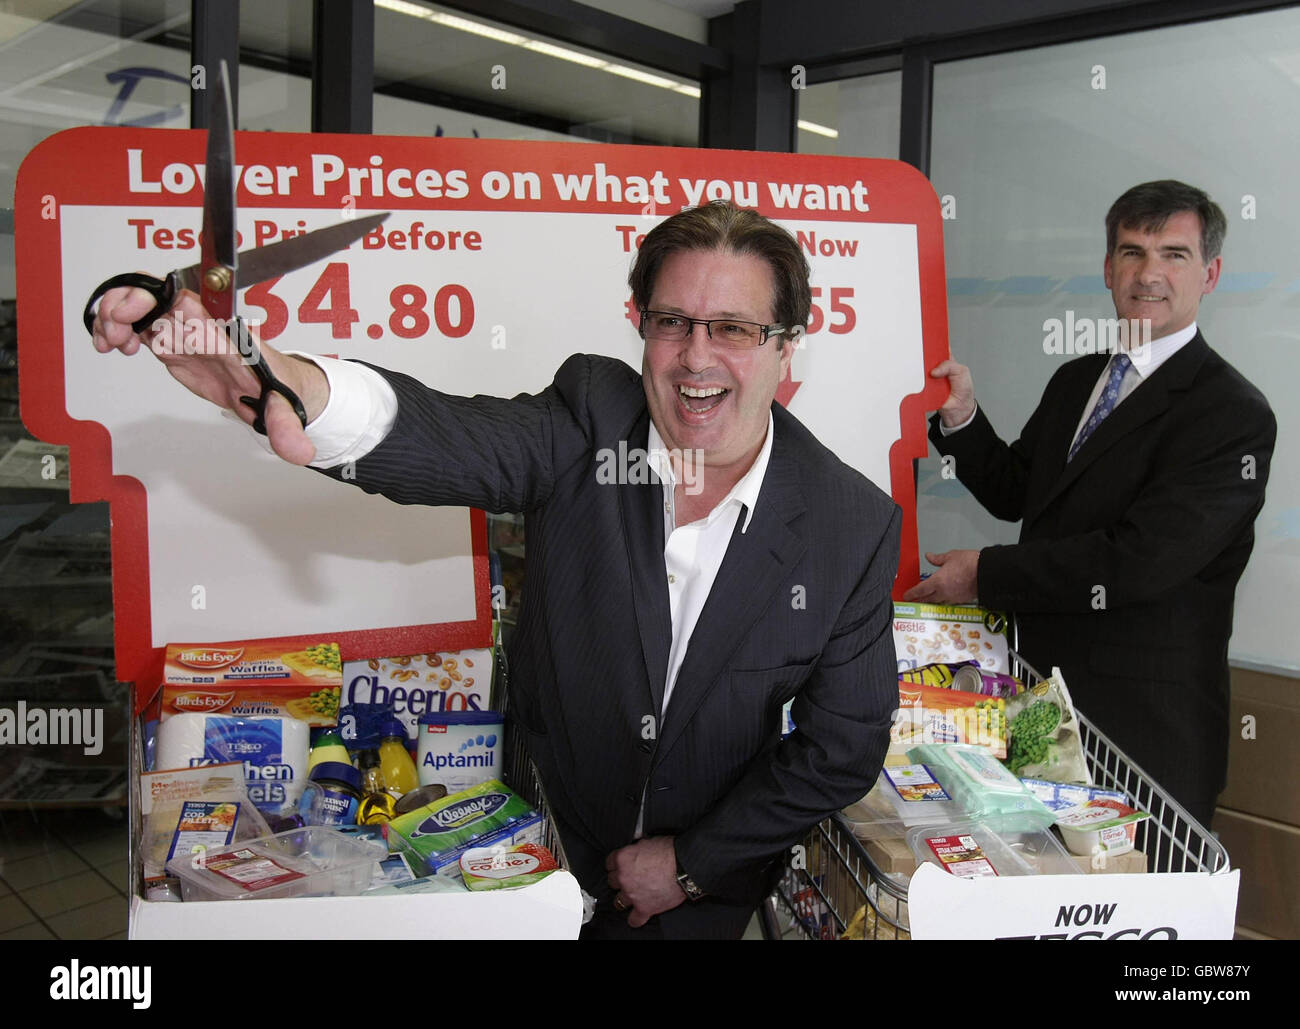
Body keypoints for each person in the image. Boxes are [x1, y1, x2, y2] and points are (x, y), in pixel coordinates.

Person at [92, 201, 902, 939]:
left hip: (706, 894)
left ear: (788, 346)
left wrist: (689, 861)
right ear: (641, 326)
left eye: (733, 328)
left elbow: (838, 747)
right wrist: (285, 385)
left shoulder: (850, 526)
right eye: (671, 322)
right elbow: (442, 434)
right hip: (527, 859)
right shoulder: (590, 418)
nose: (695, 358)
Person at [906, 180, 1275, 829]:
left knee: (1137, 910)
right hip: (1042, 710)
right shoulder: (1078, 378)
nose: (1149, 273)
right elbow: (1019, 489)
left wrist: (983, 574)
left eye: (1174, 254)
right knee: (1039, 889)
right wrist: (962, 417)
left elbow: (1138, 561)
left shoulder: (1230, 414)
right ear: (1108, 269)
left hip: (1146, 738)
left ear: (1210, 273)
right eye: (1131, 252)